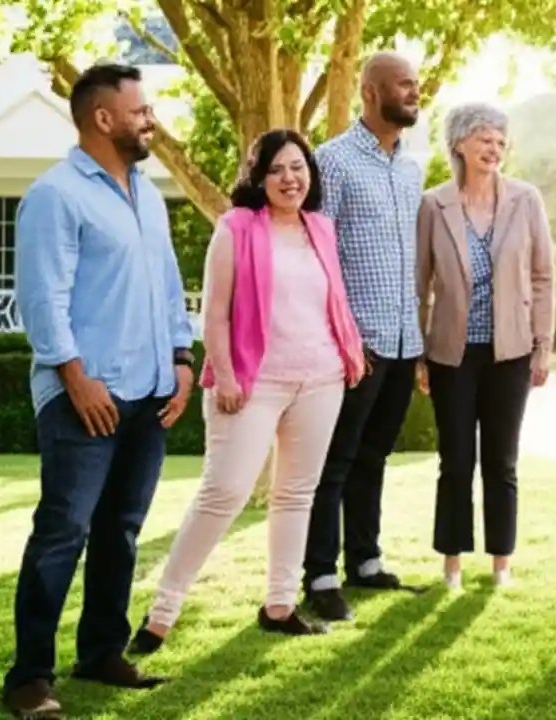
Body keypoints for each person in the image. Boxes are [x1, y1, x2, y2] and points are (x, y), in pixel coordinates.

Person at [128, 129, 367, 654]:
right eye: (278, 169)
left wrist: (348, 353)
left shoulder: (321, 228)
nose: (290, 178)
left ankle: (280, 604)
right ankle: (162, 611)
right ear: (259, 178)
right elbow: (214, 312)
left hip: (321, 378)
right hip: (252, 384)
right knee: (224, 492)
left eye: (299, 167)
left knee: (296, 494)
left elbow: (331, 300)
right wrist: (228, 374)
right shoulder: (236, 227)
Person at [4, 63, 195, 718]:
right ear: (103, 118)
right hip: (84, 392)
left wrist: (182, 359)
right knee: (65, 530)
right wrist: (74, 376)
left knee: (121, 528)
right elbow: (42, 298)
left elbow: (168, 286)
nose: (151, 119)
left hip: (147, 392)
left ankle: (101, 651)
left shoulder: (145, 193)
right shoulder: (55, 196)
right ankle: (30, 676)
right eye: (140, 110)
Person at [302, 51, 425, 621]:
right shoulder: (331, 162)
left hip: (402, 340)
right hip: (355, 344)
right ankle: (321, 575)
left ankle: (366, 561)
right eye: (404, 85)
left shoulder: (412, 167)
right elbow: (317, 256)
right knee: (336, 459)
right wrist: (338, 337)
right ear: (371, 92)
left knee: (375, 455)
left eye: (416, 85)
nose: (414, 92)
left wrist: (418, 340)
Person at [414, 102, 555, 589]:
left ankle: (501, 564)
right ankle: (451, 562)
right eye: (483, 139)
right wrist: (419, 353)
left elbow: (542, 276)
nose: (494, 149)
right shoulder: (434, 204)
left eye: (499, 141)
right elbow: (421, 282)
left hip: (510, 351)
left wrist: (543, 344)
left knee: (502, 460)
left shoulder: (526, 199)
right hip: (451, 353)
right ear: (459, 144)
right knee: (455, 460)